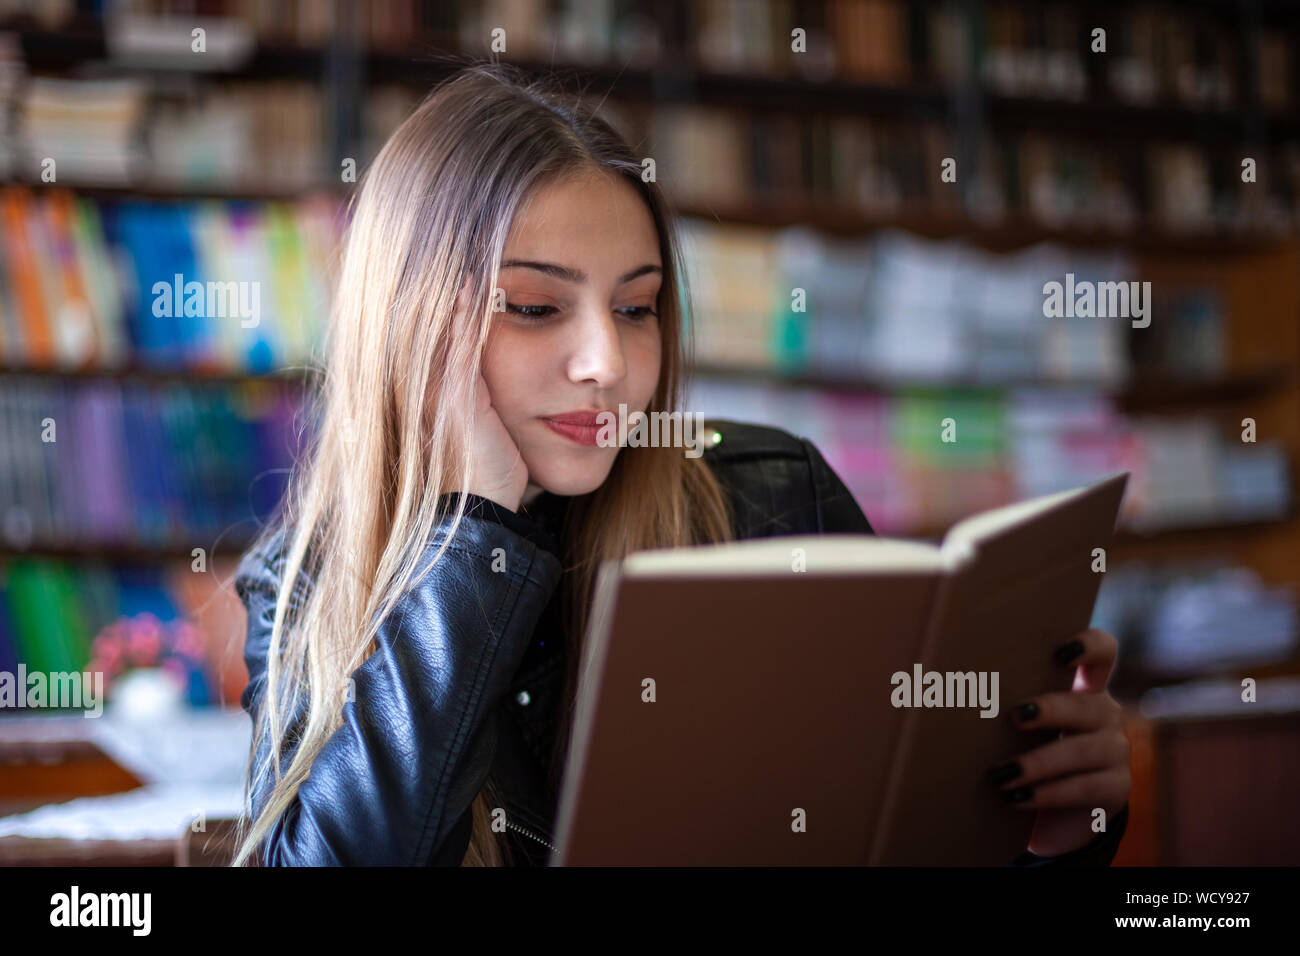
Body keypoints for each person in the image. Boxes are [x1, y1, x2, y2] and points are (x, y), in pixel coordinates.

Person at [229, 63, 1131, 867]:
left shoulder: (772, 496)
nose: (608, 366)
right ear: (417, 331)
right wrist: (473, 527)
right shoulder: (308, 580)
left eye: (638, 308)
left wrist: (1050, 839)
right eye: (538, 307)